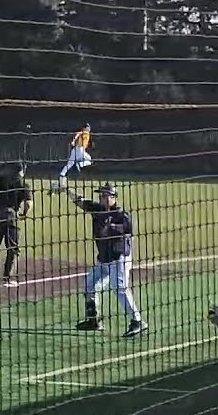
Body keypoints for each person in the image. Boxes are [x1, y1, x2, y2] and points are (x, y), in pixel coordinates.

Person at [65, 184, 147, 338]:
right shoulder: (98, 210)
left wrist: (111, 228)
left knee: (119, 288)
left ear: (114, 198)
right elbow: (81, 201)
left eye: (105, 195)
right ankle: (93, 320)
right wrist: (65, 189)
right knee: (90, 284)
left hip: (119, 259)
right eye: (101, 195)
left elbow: (128, 229)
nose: (102, 198)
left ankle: (137, 321)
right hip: (103, 259)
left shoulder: (122, 215)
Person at [53, 123, 92, 193]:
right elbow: (77, 134)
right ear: (84, 128)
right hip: (79, 150)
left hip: (77, 150)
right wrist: (73, 141)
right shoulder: (83, 132)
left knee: (70, 163)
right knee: (89, 158)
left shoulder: (87, 134)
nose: (89, 129)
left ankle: (62, 173)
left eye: (89, 128)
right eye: (87, 127)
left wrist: (74, 141)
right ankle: (79, 165)